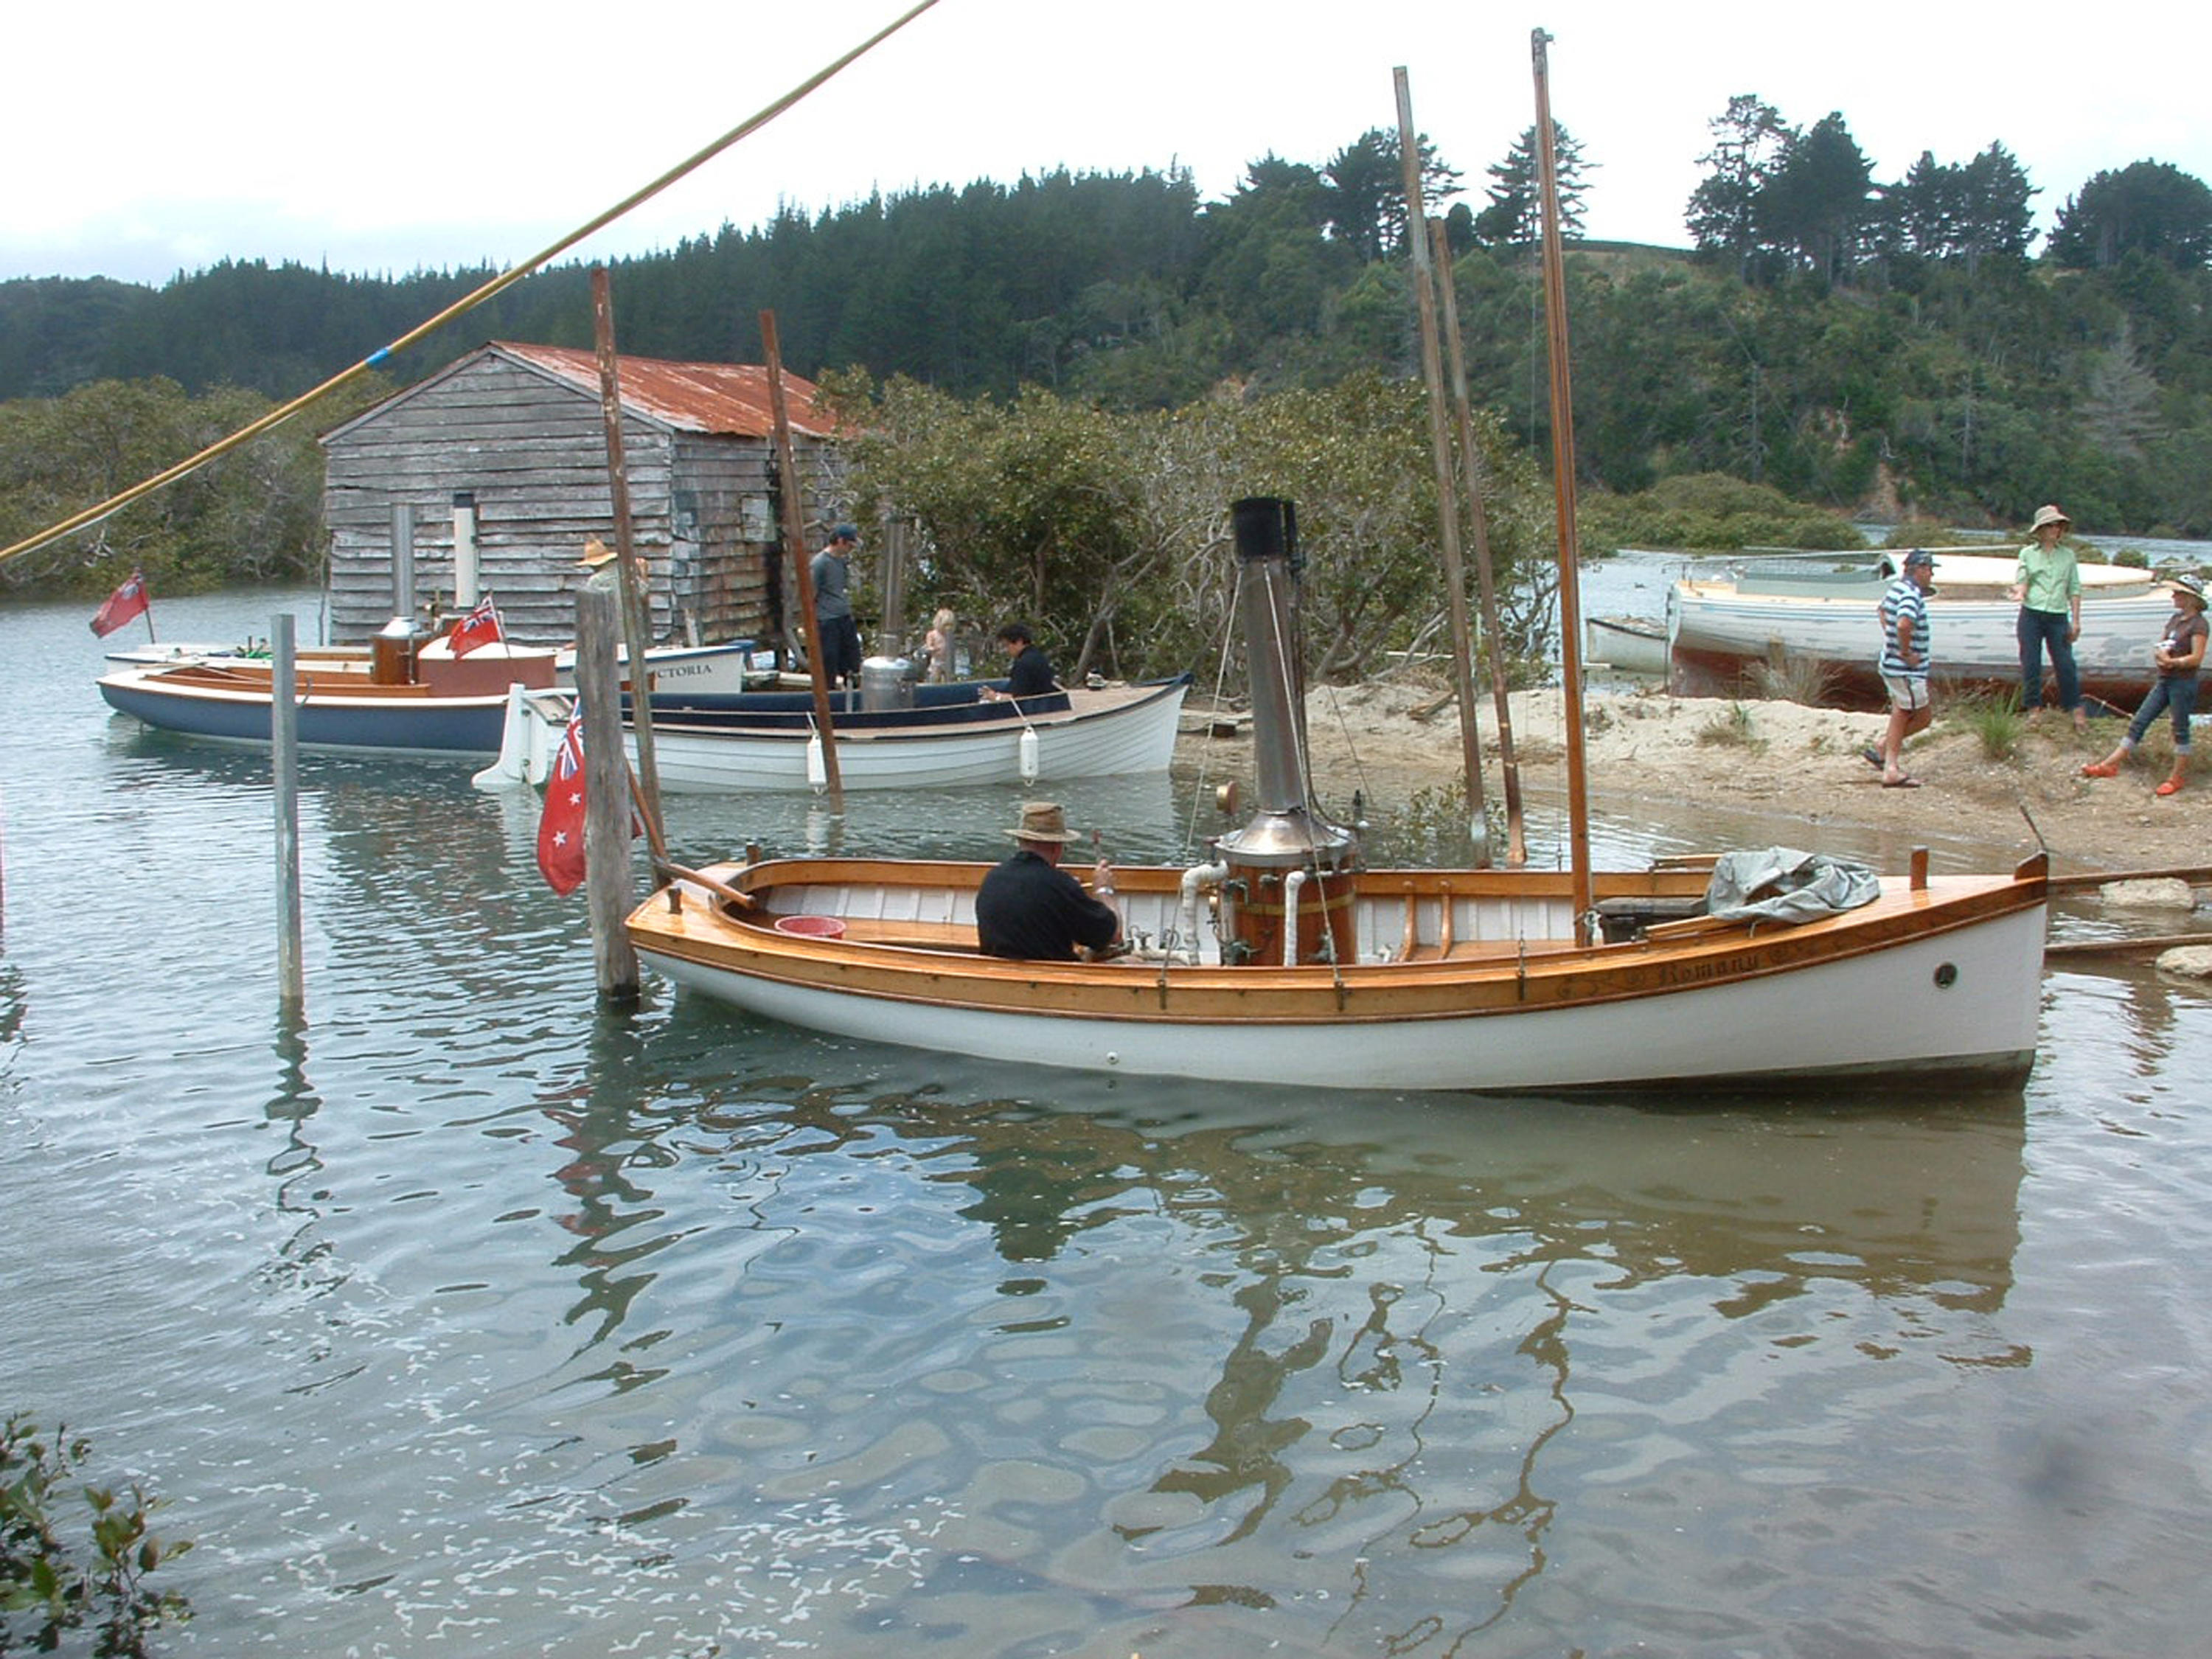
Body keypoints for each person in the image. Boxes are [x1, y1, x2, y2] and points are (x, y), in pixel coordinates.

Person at [2079, 572, 2209, 796]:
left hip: (2183, 682)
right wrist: (2160, 656)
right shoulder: (2175, 620)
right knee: (2140, 720)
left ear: (2190, 598)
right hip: (2165, 679)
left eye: (2177, 593)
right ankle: (2111, 764)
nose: (2173, 596)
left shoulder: (2199, 625)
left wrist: (2173, 661)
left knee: (2180, 728)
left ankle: (2177, 776)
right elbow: (2161, 644)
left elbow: (2196, 658)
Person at [973, 801, 1121, 961]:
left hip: (998, 977)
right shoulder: (1060, 885)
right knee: (1132, 961)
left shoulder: (993, 877)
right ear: (1057, 847)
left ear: (1020, 842)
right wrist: (1104, 891)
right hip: (1053, 980)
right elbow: (1112, 936)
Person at [2011, 503, 2087, 732]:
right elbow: (2022, 579)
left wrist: (2076, 621)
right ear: (2041, 529)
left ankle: (2075, 709)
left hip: (2057, 615)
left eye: (2059, 526)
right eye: (2051, 526)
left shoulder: (2068, 556)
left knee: (2065, 664)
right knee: (2031, 663)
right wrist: (2020, 592)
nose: (2056, 530)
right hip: (2032, 614)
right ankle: (2034, 709)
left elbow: (2074, 588)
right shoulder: (2028, 554)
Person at [1875, 548, 1937, 788]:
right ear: (1919, 569)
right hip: (1906, 669)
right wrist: (1905, 652)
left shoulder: (1897, 588)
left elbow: (1882, 612)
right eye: (1929, 569)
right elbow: (1903, 624)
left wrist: (1891, 641)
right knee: (1918, 716)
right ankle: (1889, 765)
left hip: (1891, 664)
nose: (1931, 574)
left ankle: (1884, 750)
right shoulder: (1911, 594)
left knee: (1904, 712)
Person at [810, 524, 863, 689]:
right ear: (840, 541)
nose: (850, 549)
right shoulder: (820, 563)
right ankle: (829, 697)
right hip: (827, 620)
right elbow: (810, 592)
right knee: (829, 661)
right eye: (849, 545)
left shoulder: (841, 562)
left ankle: (852, 692)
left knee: (852, 659)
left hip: (844, 616)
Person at [979, 622, 1060, 703]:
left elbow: (1017, 698)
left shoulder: (1024, 664)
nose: (1006, 650)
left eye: (1007, 645)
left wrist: (995, 697)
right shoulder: (1038, 656)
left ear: (1019, 642)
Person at [923, 608, 958, 684]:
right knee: (935, 677)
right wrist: (933, 649)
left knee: (949, 679)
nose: (947, 628)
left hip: (948, 661)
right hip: (937, 661)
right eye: (945, 625)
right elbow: (929, 647)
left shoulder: (950, 635)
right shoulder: (932, 634)